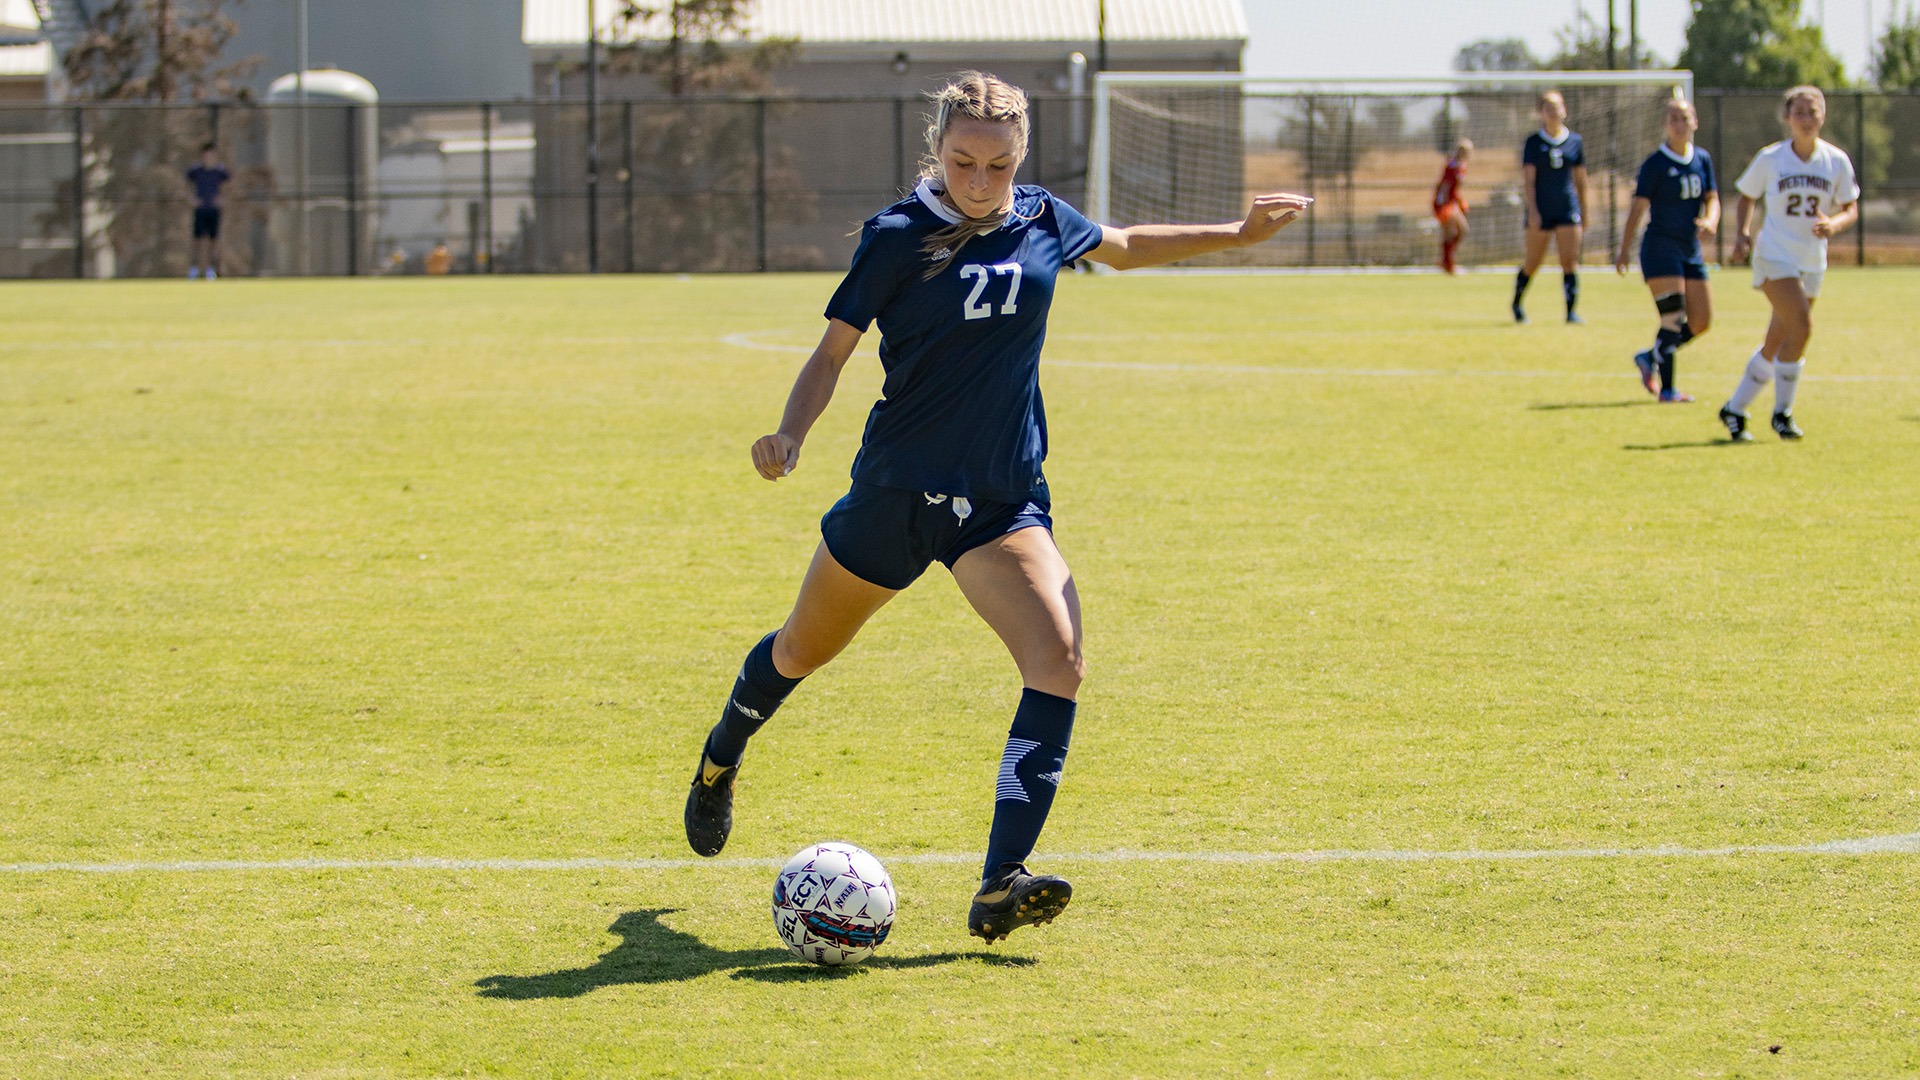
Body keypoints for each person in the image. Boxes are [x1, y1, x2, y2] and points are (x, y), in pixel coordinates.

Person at [681, 72, 1311, 944]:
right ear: (936, 150)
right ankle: (720, 760)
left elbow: (1123, 246)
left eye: (1000, 165)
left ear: (1023, 157)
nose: (981, 181)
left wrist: (1237, 234)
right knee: (798, 651)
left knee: (1060, 659)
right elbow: (831, 356)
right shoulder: (897, 236)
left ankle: (997, 885)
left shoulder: (1045, 218)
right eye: (964, 161)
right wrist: (789, 435)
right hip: (899, 492)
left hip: (1003, 502)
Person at [1716, 85, 1859, 442]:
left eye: (1813, 111)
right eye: (1799, 112)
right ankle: (1782, 414)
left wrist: (1834, 224)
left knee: (1779, 338)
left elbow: (1850, 208)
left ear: (1823, 116)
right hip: (1775, 255)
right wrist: (1743, 234)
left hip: (1812, 259)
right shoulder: (1771, 158)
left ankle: (1734, 408)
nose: (1806, 119)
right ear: (1786, 118)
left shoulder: (1835, 160)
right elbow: (1747, 196)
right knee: (1803, 328)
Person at [1614, 96, 1718, 404]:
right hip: (1660, 249)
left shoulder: (1702, 159)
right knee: (1673, 318)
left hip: (1690, 249)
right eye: (1673, 118)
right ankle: (1669, 390)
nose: (1679, 123)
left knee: (1700, 321)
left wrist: (1711, 220)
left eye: (1684, 118)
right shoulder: (1655, 164)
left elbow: (1712, 198)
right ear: (1665, 125)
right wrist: (1622, 250)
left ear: (1695, 122)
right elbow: (1637, 208)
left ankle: (1649, 357)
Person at [1513, 91, 1589, 324]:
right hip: (1542, 210)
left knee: (1569, 261)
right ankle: (1517, 304)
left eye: (1558, 107)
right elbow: (1528, 180)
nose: (1554, 112)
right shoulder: (1534, 143)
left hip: (1567, 208)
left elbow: (1580, 179)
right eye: (1549, 108)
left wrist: (1584, 210)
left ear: (1564, 110)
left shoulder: (1574, 141)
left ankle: (1570, 313)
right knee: (1533, 262)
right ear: (1541, 113)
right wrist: (1533, 210)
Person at [184, 143, 230, 280]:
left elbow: (231, 185)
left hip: (213, 210)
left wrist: (223, 199)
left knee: (214, 240)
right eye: (206, 155)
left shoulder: (219, 171)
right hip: (200, 210)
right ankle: (195, 268)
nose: (208, 158)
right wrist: (190, 198)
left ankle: (211, 269)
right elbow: (184, 183)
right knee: (197, 240)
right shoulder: (196, 170)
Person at [1433, 139, 1472, 274]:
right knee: (1451, 232)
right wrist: (1442, 203)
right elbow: (1445, 186)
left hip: (1451, 202)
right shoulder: (1452, 165)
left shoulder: (1461, 165)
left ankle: (1445, 260)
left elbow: (1454, 189)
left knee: (1461, 231)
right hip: (1445, 203)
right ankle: (1449, 265)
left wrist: (1460, 201)